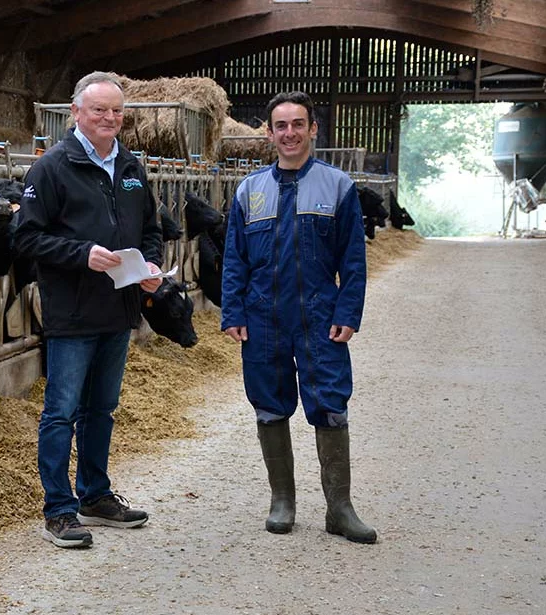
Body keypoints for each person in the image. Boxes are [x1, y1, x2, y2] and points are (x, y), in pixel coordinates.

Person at [13, 71, 164, 548]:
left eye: (117, 111)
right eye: (99, 110)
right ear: (75, 113)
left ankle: (95, 495)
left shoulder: (132, 167)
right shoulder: (52, 167)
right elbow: (25, 236)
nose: (109, 118)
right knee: (61, 410)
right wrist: (82, 254)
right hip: (73, 312)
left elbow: (151, 230)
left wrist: (152, 264)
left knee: (102, 408)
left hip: (119, 309)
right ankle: (59, 509)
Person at [220, 91, 377, 544]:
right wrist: (232, 310)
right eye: (281, 126)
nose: (289, 133)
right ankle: (282, 501)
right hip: (262, 316)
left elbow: (352, 259)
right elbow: (234, 258)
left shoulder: (338, 186)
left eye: (298, 124)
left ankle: (339, 508)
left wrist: (349, 310)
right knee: (269, 404)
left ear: (313, 130)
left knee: (329, 403)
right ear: (269, 133)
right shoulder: (250, 189)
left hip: (320, 314)